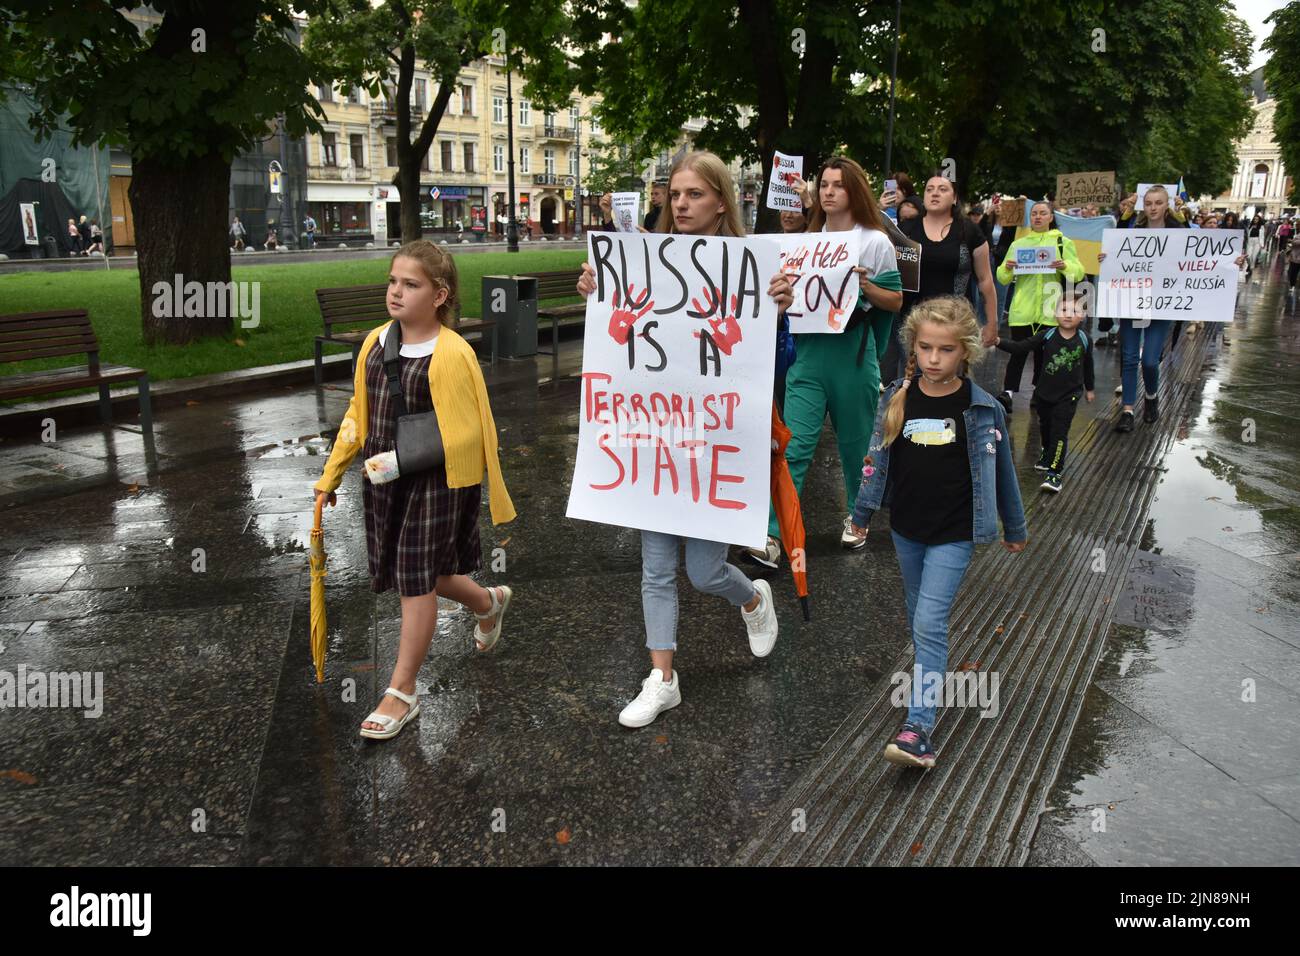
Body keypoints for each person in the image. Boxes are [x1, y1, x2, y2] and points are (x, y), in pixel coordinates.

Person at [574, 150, 791, 728]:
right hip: (656, 442)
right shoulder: (645, 264)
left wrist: (778, 313)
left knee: (703, 572)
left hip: (712, 444)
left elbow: (777, 360)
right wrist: (600, 295)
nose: (682, 204)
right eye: (674, 195)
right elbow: (620, 343)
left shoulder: (752, 269)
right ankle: (662, 677)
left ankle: (752, 598)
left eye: (694, 194)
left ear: (722, 199)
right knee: (655, 570)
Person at [313, 241, 516, 740]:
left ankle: (401, 692)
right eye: (392, 281)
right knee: (423, 572)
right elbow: (359, 413)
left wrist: (401, 460)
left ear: (439, 294)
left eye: (411, 284)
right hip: (386, 481)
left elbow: (471, 431)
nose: (396, 292)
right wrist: (331, 475)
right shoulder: (375, 344)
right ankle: (489, 603)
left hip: (440, 482)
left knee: (414, 578)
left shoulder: (454, 353)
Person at [846, 295, 1027, 768]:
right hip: (907, 529)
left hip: (955, 533)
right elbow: (875, 460)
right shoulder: (897, 397)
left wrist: (1016, 525)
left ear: (965, 351)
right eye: (925, 347)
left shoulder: (983, 409)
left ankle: (918, 729)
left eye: (945, 350)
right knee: (917, 617)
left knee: (928, 622)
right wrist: (861, 514)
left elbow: (1003, 471)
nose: (933, 358)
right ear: (914, 347)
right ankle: (927, 679)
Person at [747, 156, 902, 568]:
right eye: (825, 185)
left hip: (851, 353)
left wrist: (867, 285)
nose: (830, 191)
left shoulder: (875, 240)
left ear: (854, 190)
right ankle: (773, 533)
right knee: (792, 445)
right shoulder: (806, 239)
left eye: (838, 184)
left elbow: (896, 299)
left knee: (856, 447)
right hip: (808, 354)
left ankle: (860, 514)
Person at [888, 175, 998, 389]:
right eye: (929, 189)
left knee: (951, 385)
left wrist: (992, 323)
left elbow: (985, 280)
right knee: (914, 383)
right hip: (913, 323)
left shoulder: (969, 231)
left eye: (942, 189)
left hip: (954, 324)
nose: (935, 193)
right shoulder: (906, 230)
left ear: (955, 198)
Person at [993, 288, 1095, 492]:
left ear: (1082, 316)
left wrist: (1089, 389)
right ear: (1055, 312)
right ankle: (1046, 452)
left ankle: (1055, 474)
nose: (1067, 314)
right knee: (1046, 428)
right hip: (1044, 394)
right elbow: (1020, 348)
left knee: (1060, 432)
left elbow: (1088, 365)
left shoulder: (1084, 340)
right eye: (1063, 309)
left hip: (1069, 396)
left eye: (1074, 311)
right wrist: (998, 342)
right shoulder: (1046, 335)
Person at [995, 200, 1085, 414]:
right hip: (1023, 309)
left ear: (1051, 217)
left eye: (1042, 213)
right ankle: (1007, 393)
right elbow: (1002, 277)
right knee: (1018, 352)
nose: (1037, 217)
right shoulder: (1019, 244)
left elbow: (1078, 273)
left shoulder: (1063, 242)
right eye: (1034, 213)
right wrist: (1007, 268)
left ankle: (1038, 391)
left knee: (1044, 354)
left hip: (1050, 309)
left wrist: (1065, 265)